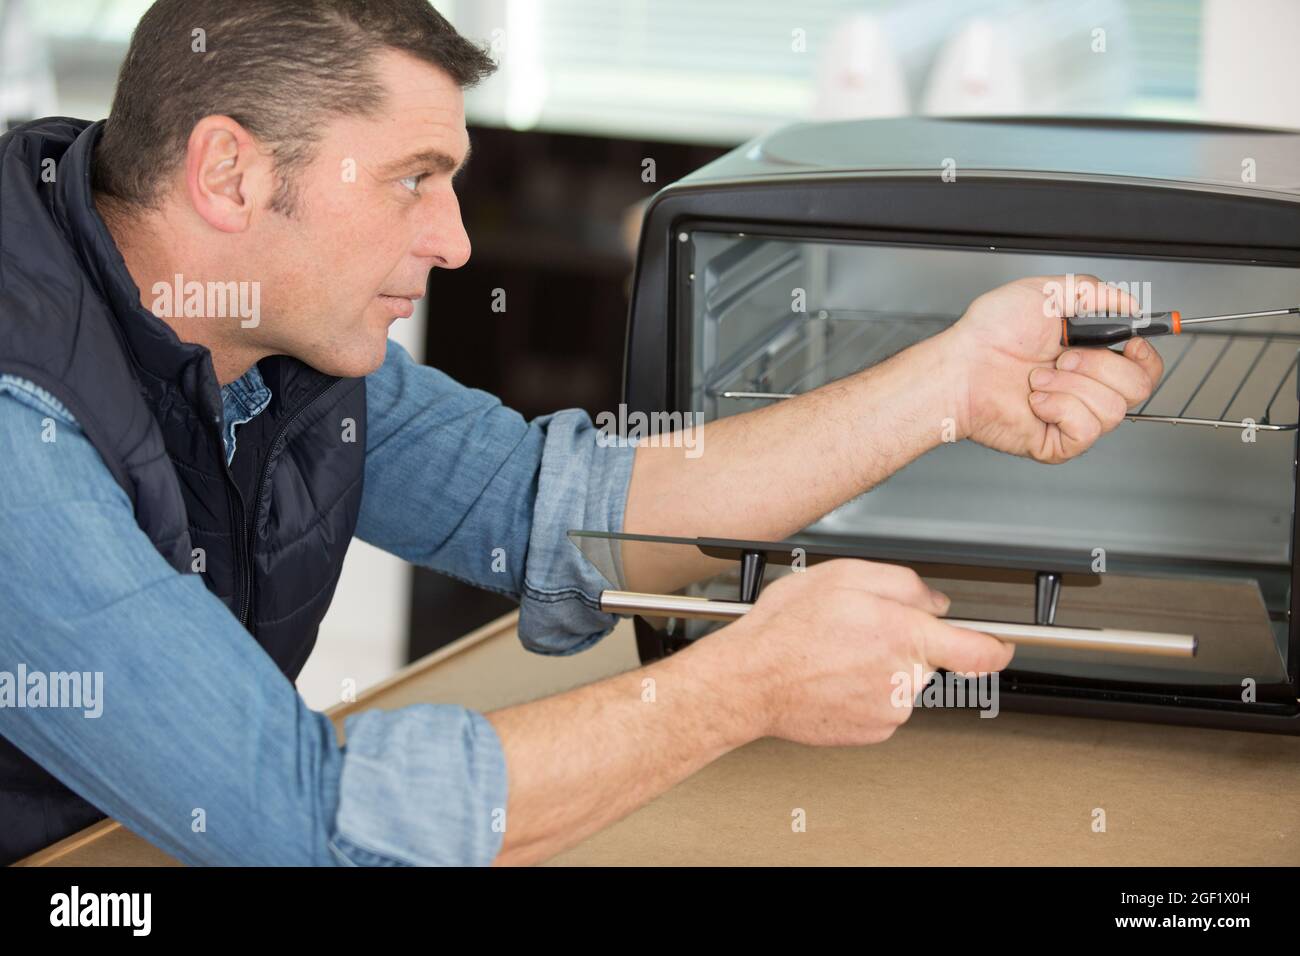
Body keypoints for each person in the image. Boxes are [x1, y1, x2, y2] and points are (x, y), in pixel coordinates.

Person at [0, 0, 1162, 866]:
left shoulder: (271, 337)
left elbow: (554, 510)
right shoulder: (19, 433)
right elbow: (297, 820)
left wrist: (949, 387)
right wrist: (738, 688)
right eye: (415, 180)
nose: (454, 241)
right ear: (228, 174)